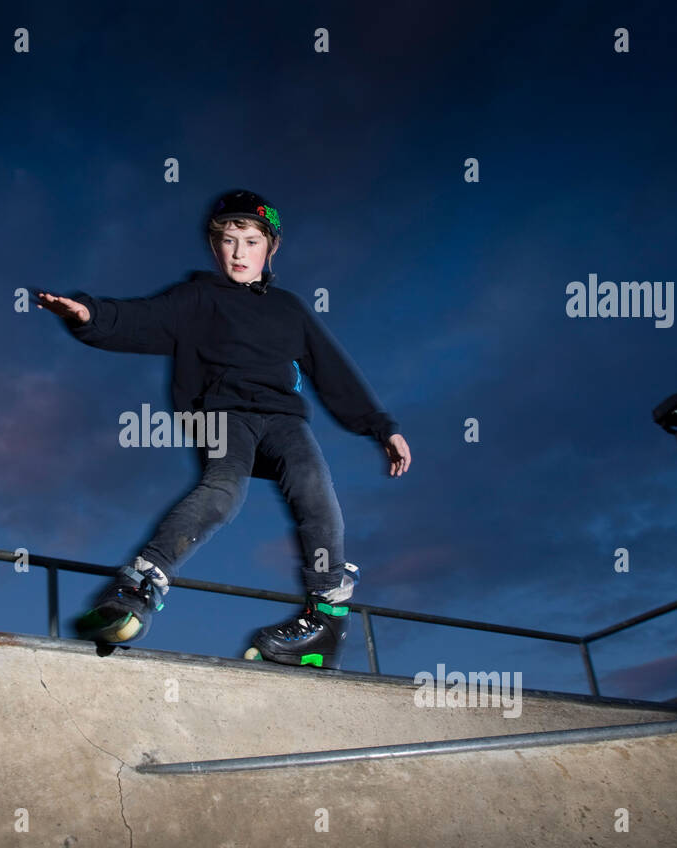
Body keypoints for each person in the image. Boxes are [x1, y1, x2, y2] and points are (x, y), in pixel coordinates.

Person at [35, 189, 410, 667]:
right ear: (215, 247)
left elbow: (332, 370)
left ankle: (325, 617)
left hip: (282, 419)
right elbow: (140, 318)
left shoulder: (289, 309)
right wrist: (89, 314)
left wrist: (382, 427)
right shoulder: (197, 297)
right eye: (228, 242)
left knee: (314, 486)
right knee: (223, 489)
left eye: (250, 242)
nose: (238, 253)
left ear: (270, 247)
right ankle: (136, 587)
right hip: (221, 414)